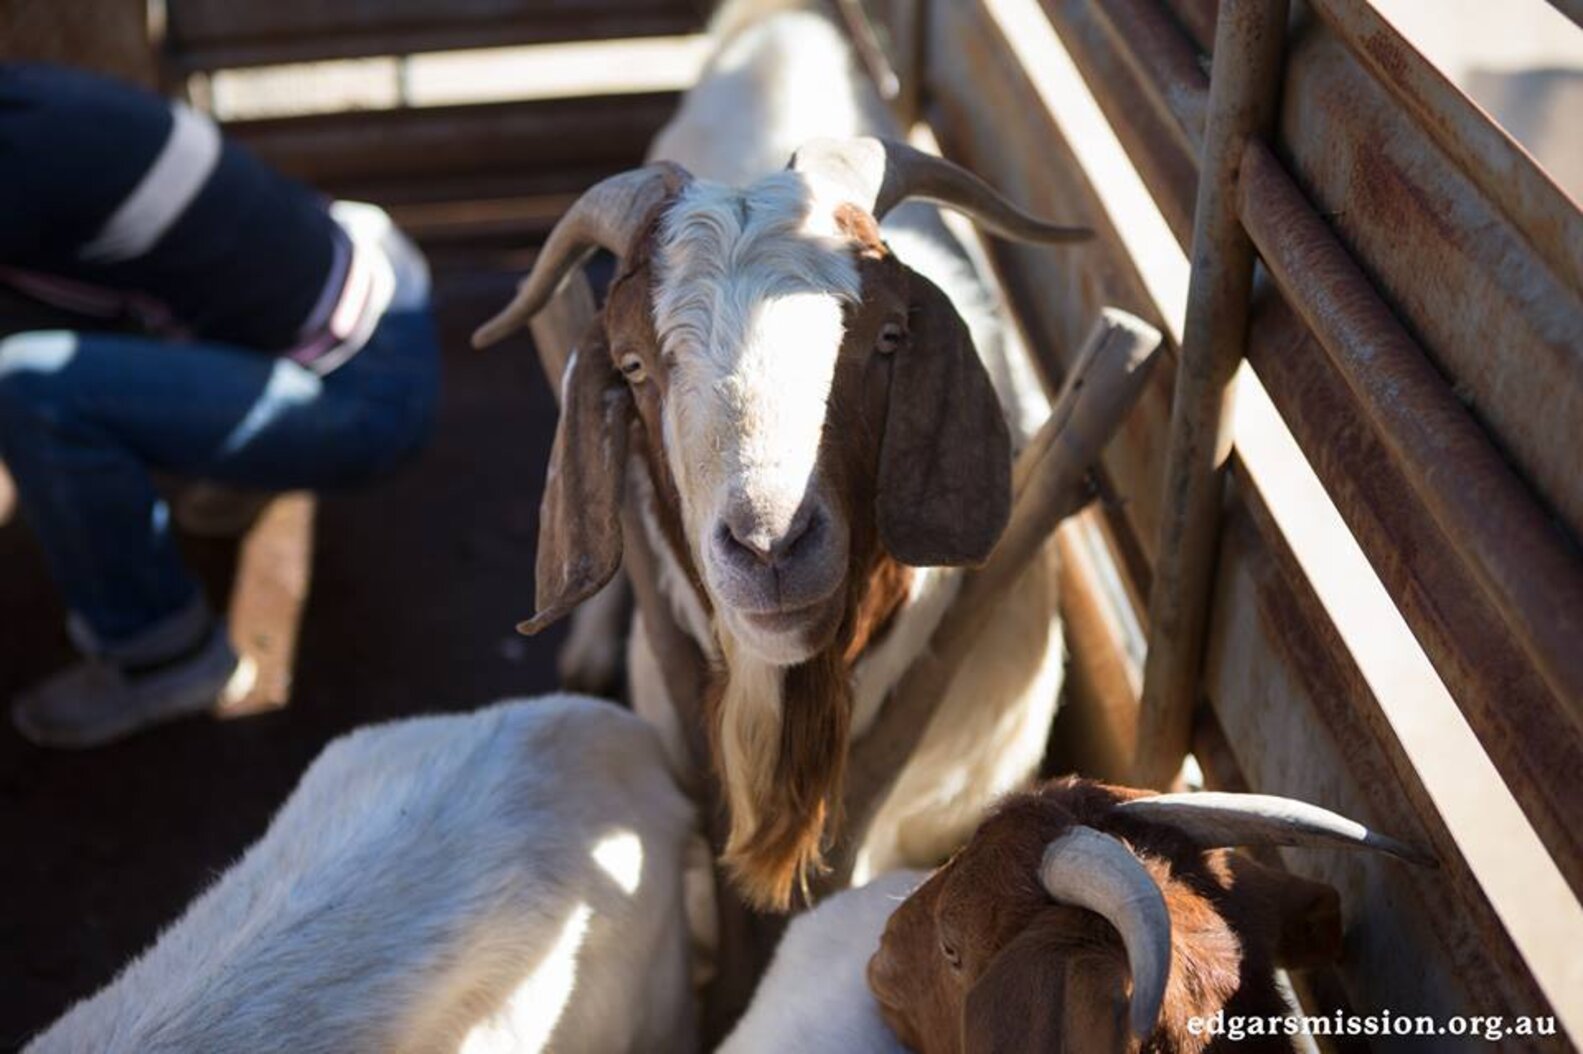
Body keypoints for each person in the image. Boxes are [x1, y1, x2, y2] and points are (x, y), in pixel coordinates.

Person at [0, 63, 441, 748]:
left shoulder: (20, 172)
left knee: (31, 387)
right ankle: (242, 462)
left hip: (367, 395)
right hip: (377, 277)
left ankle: (164, 657)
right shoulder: (30, 97)